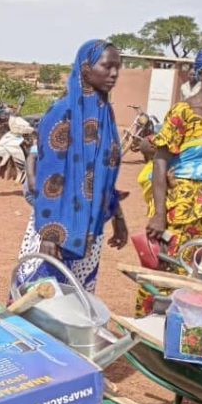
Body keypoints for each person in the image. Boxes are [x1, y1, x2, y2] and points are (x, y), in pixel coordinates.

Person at [15, 40, 128, 294]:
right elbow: (50, 177)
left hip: (90, 229)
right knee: (39, 299)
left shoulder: (104, 114)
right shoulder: (63, 111)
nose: (114, 74)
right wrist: (49, 234)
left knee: (75, 303)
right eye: (107, 66)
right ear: (86, 68)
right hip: (57, 227)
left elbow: (104, 175)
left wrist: (117, 217)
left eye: (117, 68)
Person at [137, 44, 202, 315]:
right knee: (167, 265)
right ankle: (148, 321)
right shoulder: (183, 112)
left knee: (198, 268)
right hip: (181, 203)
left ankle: (181, 326)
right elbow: (160, 161)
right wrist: (159, 214)